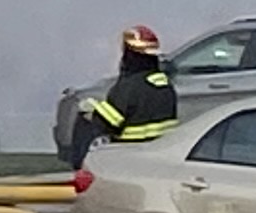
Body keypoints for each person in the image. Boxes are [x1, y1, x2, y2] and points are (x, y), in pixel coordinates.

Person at [64, 25, 180, 165]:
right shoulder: (164, 83)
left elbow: (110, 124)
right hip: (159, 151)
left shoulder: (129, 86)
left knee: (84, 118)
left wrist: (93, 109)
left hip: (129, 152)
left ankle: (81, 168)